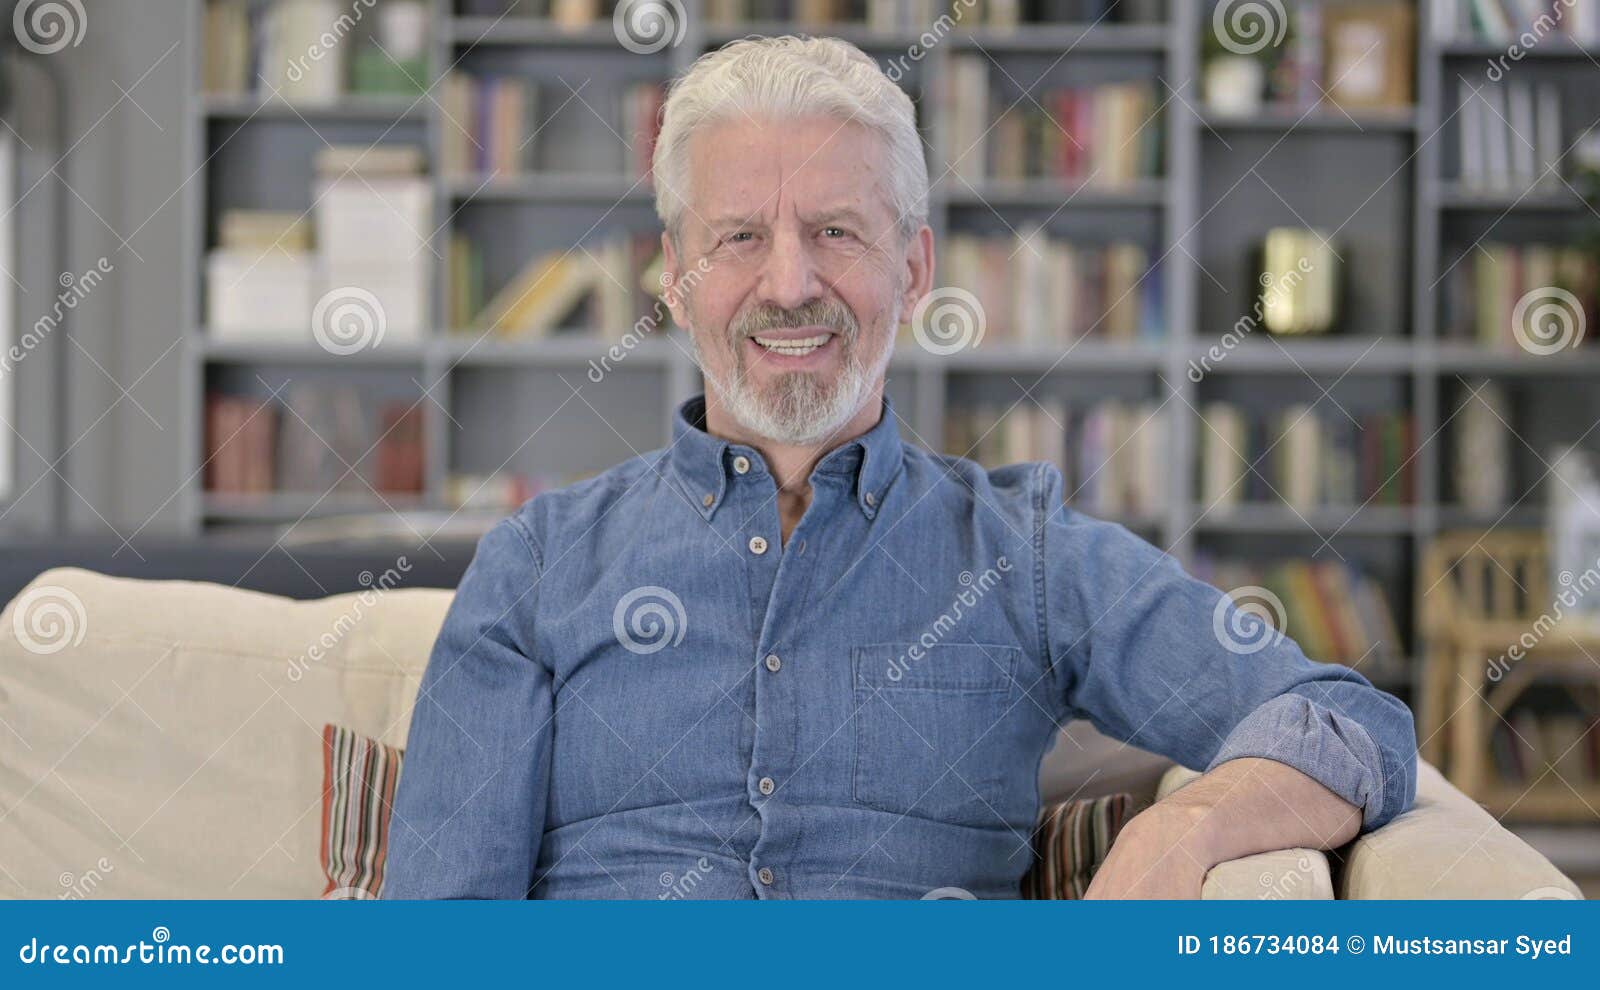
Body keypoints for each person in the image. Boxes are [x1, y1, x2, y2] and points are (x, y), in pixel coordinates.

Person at [383, 35, 1416, 900]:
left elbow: (1351, 724)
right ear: (675, 277)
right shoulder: (537, 563)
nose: (789, 284)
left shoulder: (1029, 554)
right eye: (739, 236)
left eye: (835, 232)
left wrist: (1181, 831)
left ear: (912, 269)